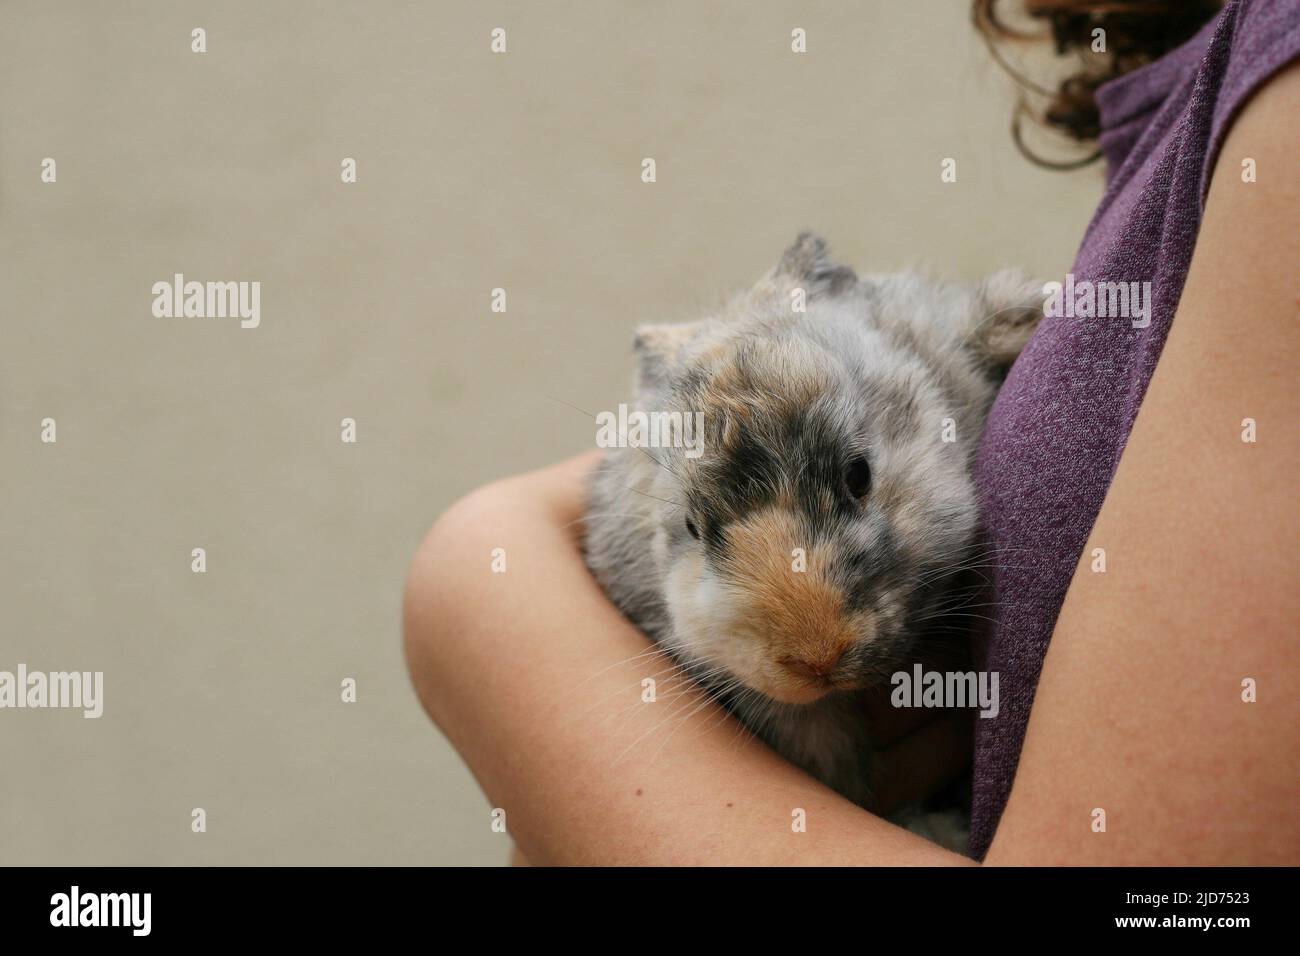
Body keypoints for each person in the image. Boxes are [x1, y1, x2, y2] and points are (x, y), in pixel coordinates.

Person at [403, 0, 1299, 865]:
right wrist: (476, 574)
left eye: (859, 481)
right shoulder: (1172, 87)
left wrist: (485, 627)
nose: (814, 646)